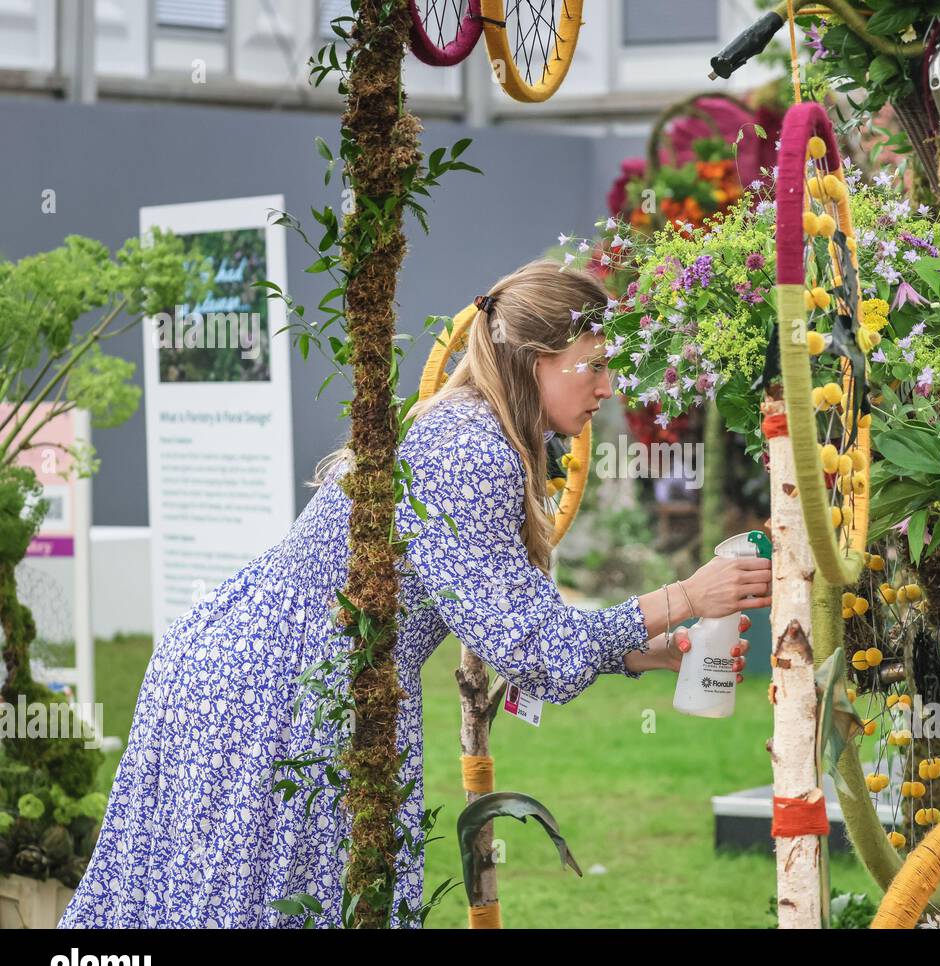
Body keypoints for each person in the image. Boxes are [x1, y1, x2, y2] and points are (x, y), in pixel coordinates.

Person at [58, 259, 772, 929]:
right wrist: (684, 596)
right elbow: (534, 651)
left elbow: (521, 626)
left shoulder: (472, 428)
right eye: (597, 364)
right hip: (269, 692)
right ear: (536, 360)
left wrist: (651, 654)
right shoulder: (470, 451)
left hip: (264, 673)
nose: (609, 387)